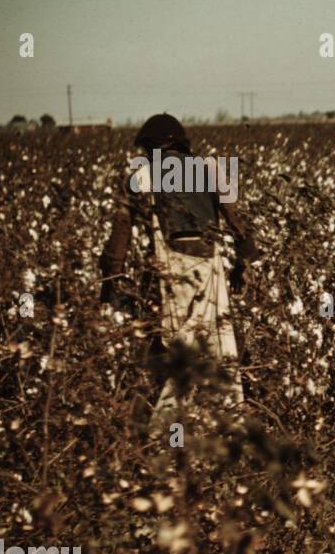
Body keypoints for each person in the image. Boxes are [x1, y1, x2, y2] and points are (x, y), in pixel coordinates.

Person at [99, 113, 258, 422]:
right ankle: (220, 427)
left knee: (163, 357)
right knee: (216, 351)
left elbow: (120, 237)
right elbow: (242, 229)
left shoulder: (141, 174)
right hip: (210, 277)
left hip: (166, 278)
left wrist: (110, 282)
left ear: (150, 148)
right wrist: (242, 266)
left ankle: (162, 431)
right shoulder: (211, 170)